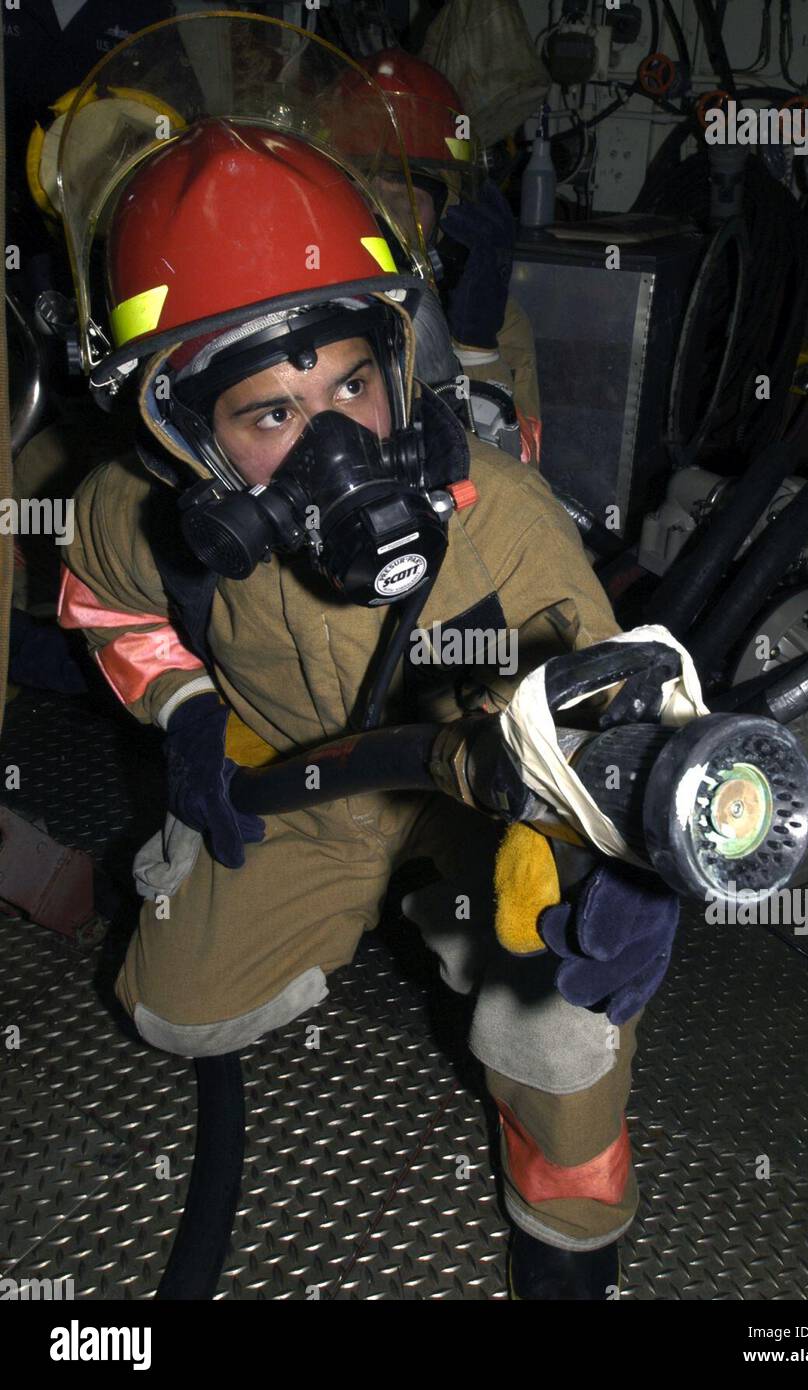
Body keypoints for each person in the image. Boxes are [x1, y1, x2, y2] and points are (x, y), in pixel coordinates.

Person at [59, 118, 668, 1300]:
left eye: (351, 385)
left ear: (402, 364)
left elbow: (611, 706)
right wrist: (184, 709)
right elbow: (103, 606)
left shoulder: (496, 513)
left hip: (479, 803)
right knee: (171, 1009)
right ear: (187, 436)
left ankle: (569, 1235)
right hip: (295, 785)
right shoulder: (144, 516)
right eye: (273, 415)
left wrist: (618, 857)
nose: (339, 446)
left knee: (561, 1033)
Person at [351, 48, 543, 467]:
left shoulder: (499, 323)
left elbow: (517, 474)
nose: (381, 224)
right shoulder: (286, 304)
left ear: (449, 212)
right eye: (362, 198)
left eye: (403, 201)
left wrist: (475, 350)